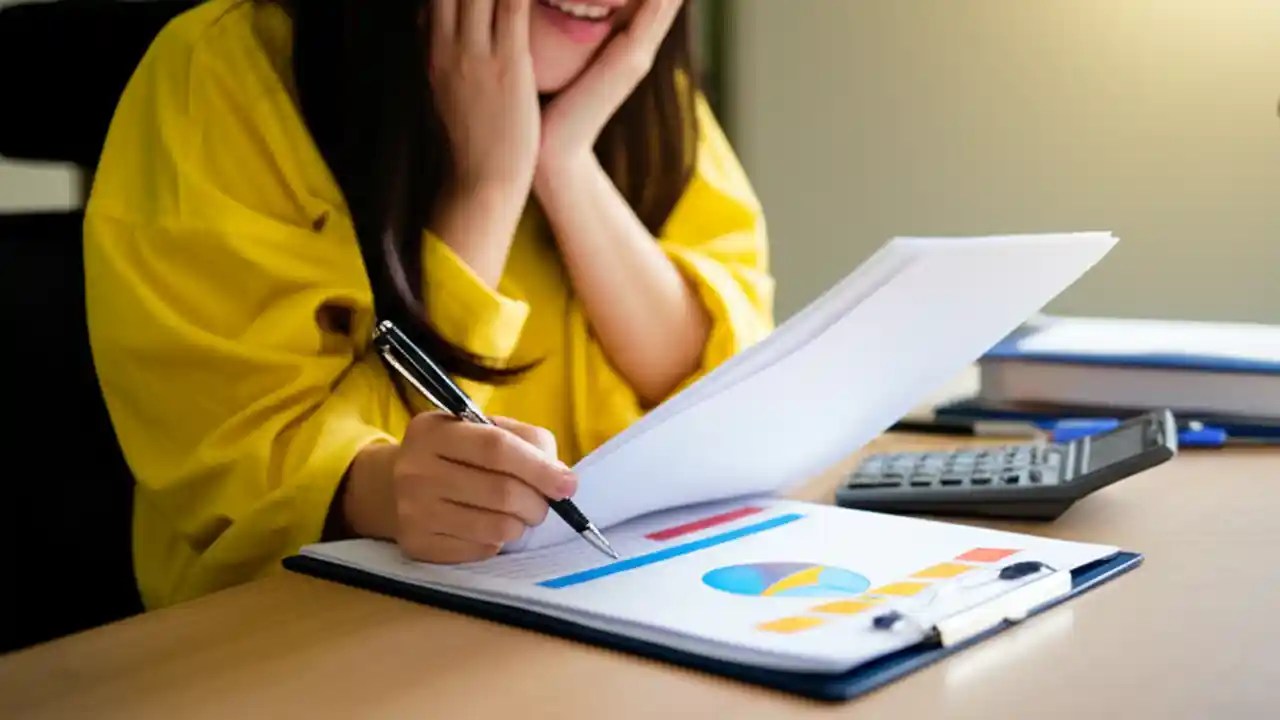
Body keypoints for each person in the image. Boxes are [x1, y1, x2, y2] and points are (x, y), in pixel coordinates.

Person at [84, 0, 774, 610]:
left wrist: (564, 161)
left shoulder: (642, 93)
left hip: (591, 614)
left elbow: (727, 386)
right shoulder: (224, 74)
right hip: (312, 646)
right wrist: (489, 186)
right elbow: (256, 487)